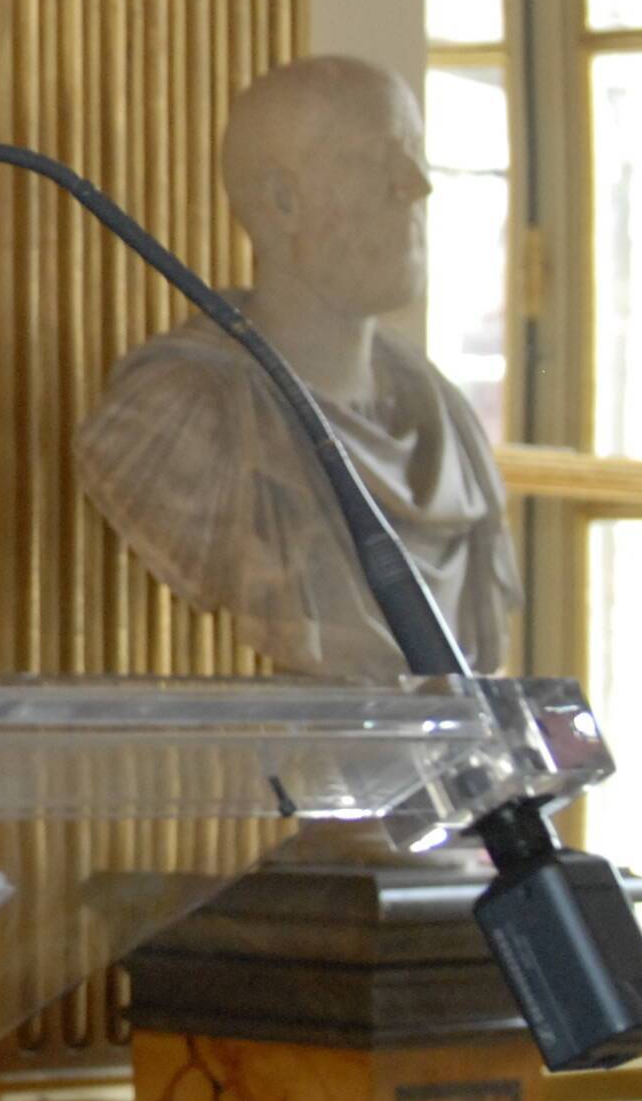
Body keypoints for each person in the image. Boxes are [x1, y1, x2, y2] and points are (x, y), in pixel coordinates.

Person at [76, 52, 519, 678]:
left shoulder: (446, 420)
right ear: (284, 201)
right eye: (377, 158)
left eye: (415, 151)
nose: (417, 183)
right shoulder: (182, 412)